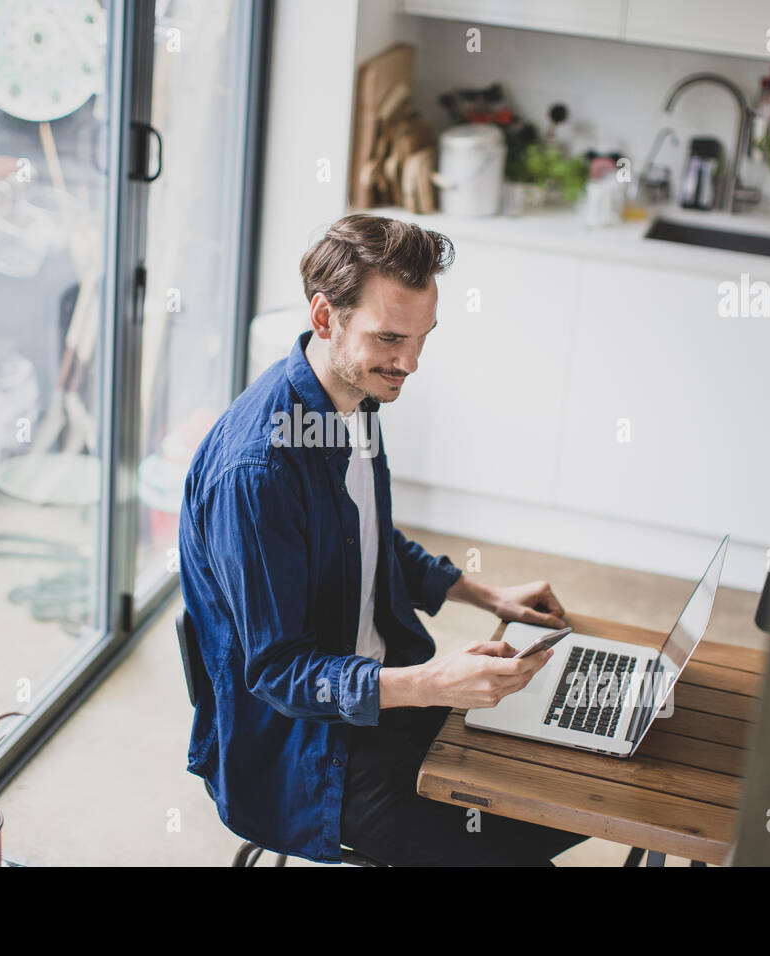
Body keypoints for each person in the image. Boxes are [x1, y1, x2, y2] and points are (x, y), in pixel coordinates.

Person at [178, 213, 588, 865]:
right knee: (535, 822)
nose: (411, 364)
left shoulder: (355, 397)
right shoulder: (256, 474)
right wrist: (435, 682)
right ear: (324, 317)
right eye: (392, 338)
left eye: (423, 338)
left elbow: (367, 535)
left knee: (571, 773)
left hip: (379, 692)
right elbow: (281, 674)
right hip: (309, 759)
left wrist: (488, 595)